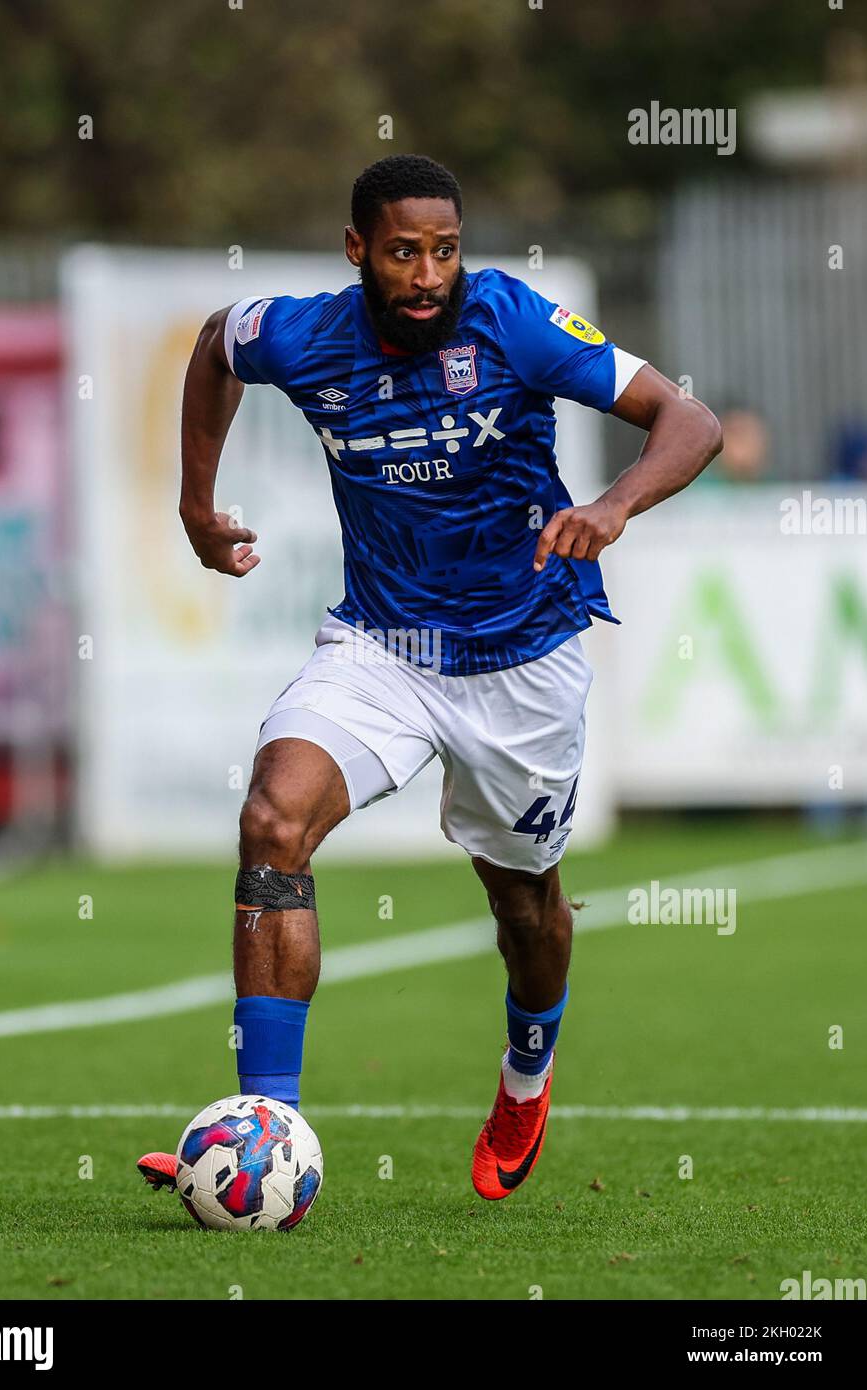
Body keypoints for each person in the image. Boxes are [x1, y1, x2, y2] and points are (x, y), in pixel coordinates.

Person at [137, 154, 722, 1203]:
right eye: (402, 250)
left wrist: (615, 504)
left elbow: (691, 422)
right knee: (273, 823)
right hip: (381, 649)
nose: (425, 274)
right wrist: (194, 503)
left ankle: (526, 1072)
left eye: (443, 250)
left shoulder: (513, 322)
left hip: (523, 662)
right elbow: (214, 343)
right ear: (357, 249)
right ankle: (262, 1126)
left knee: (525, 909)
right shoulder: (307, 334)